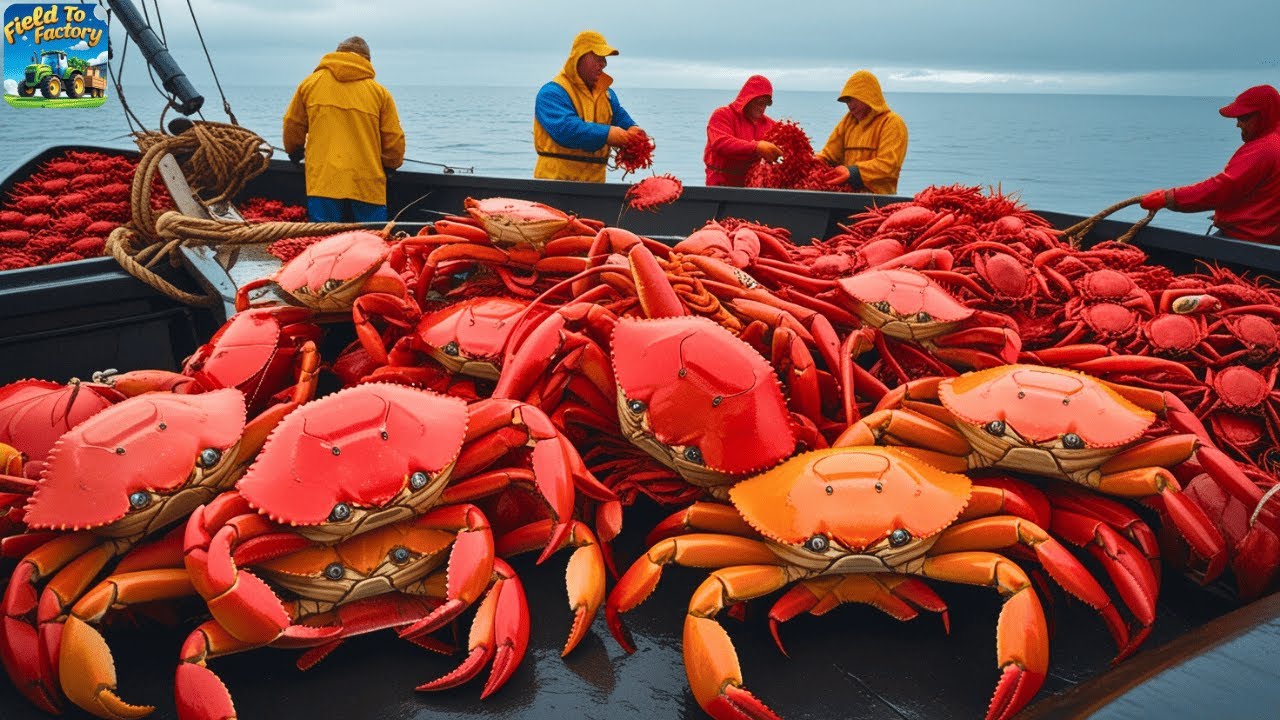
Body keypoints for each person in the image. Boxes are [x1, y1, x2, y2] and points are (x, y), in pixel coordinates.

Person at [283, 36, 405, 223]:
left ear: (337, 54)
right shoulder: (379, 93)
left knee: (324, 242)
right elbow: (393, 138)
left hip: (324, 182)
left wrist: (295, 151)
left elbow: (293, 124)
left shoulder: (310, 85)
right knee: (370, 242)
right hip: (367, 183)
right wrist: (390, 165)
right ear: (367, 61)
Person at [1139, 84, 1280, 244]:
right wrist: (1231, 213)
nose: (1238, 124)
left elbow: (1222, 188)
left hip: (1247, 243)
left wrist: (1169, 198)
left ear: (1263, 115)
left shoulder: (1264, 148)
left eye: (1243, 118)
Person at [533, 30, 645, 182]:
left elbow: (622, 120)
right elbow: (566, 130)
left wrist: (635, 131)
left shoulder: (607, 95)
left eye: (604, 58)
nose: (604, 63)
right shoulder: (551, 93)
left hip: (595, 187)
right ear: (580, 56)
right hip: (554, 185)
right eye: (598, 57)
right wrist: (609, 134)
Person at [815, 70, 908, 194]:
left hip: (879, 201)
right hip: (846, 197)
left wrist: (853, 172)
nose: (850, 106)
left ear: (868, 97)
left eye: (853, 100)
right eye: (847, 101)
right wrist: (811, 162)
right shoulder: (848, 122)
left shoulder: (892, 123)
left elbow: (889, 165)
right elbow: (829, 155)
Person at [703, 75, 782, 187]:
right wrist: (757, 147)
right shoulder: (722, 115)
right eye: (760, 102)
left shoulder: (771, 125)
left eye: (766, 104)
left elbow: (790, 149)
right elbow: (721, 143)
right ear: (748, 99)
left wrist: (813, 159)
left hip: (753, 188)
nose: (762, 107)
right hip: (720, 186)